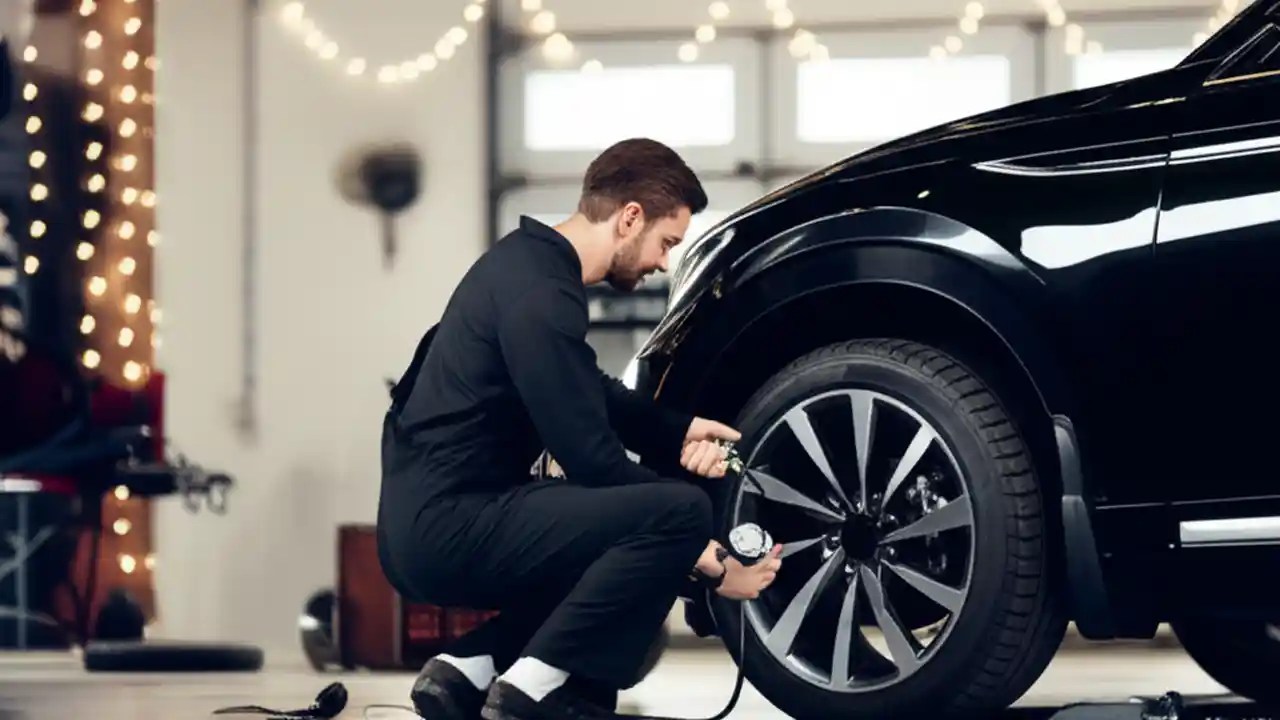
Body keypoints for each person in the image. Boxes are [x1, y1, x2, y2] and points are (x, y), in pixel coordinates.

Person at [376, 137, 783, 720]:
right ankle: (539, 691)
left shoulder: (523, 265)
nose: (664, 263)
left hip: (434, 519)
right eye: (666, 243)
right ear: (630, 218)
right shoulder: (543, 292)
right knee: (676, 511)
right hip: (450, 528)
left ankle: (469, 669)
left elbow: (590, 389)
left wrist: (679, 432)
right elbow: (591, 458)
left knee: (608, 532)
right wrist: (711, 561)